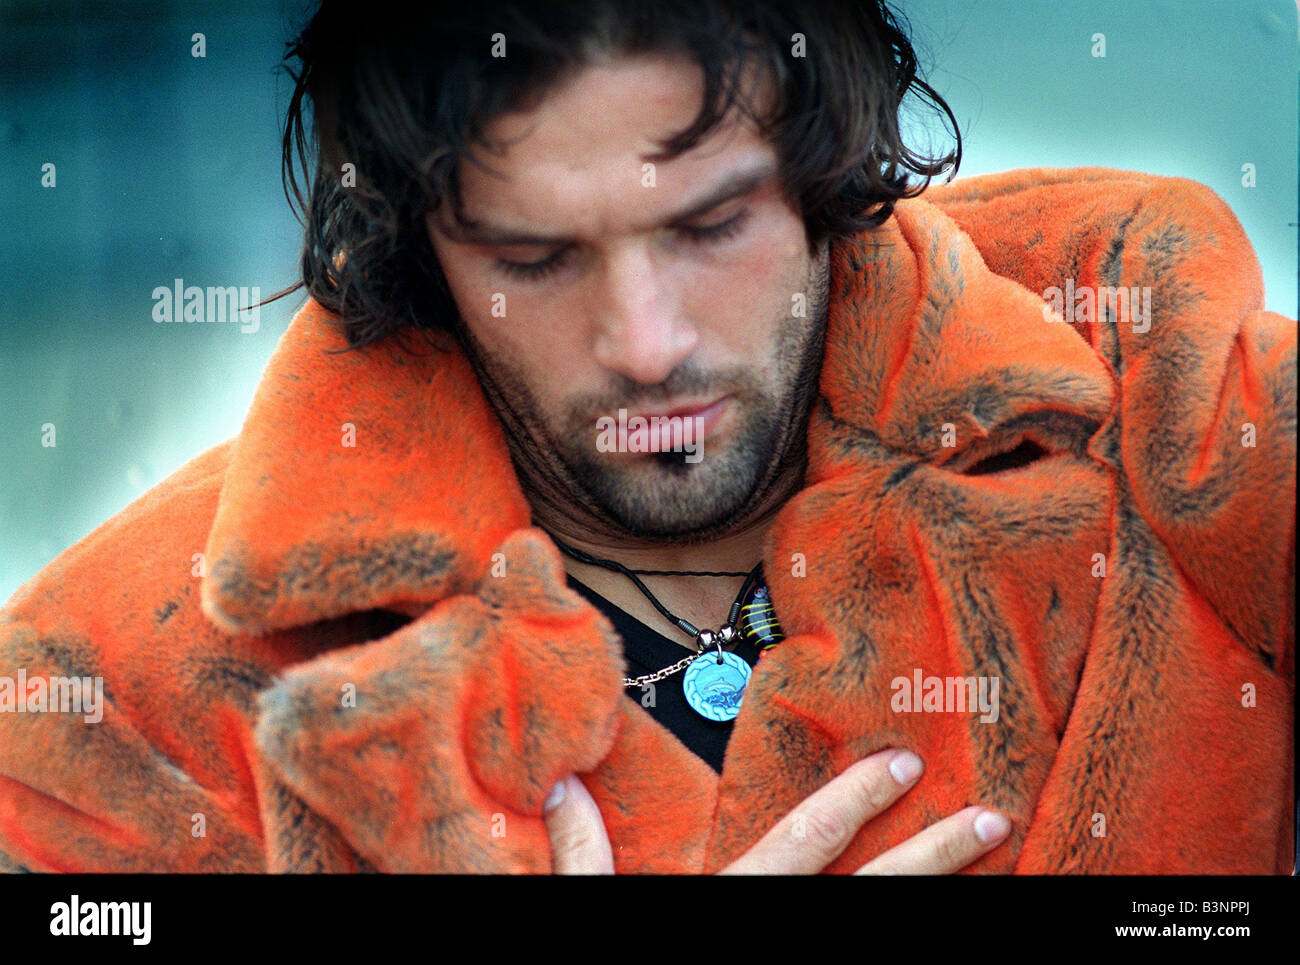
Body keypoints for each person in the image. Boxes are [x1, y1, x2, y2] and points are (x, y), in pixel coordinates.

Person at [0, 0, 1292, 874]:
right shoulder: (116, 688)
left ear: (826, 178)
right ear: (421, 254)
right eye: (536, 257)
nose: (647, 339)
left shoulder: (1170, 387)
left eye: (710, 225)